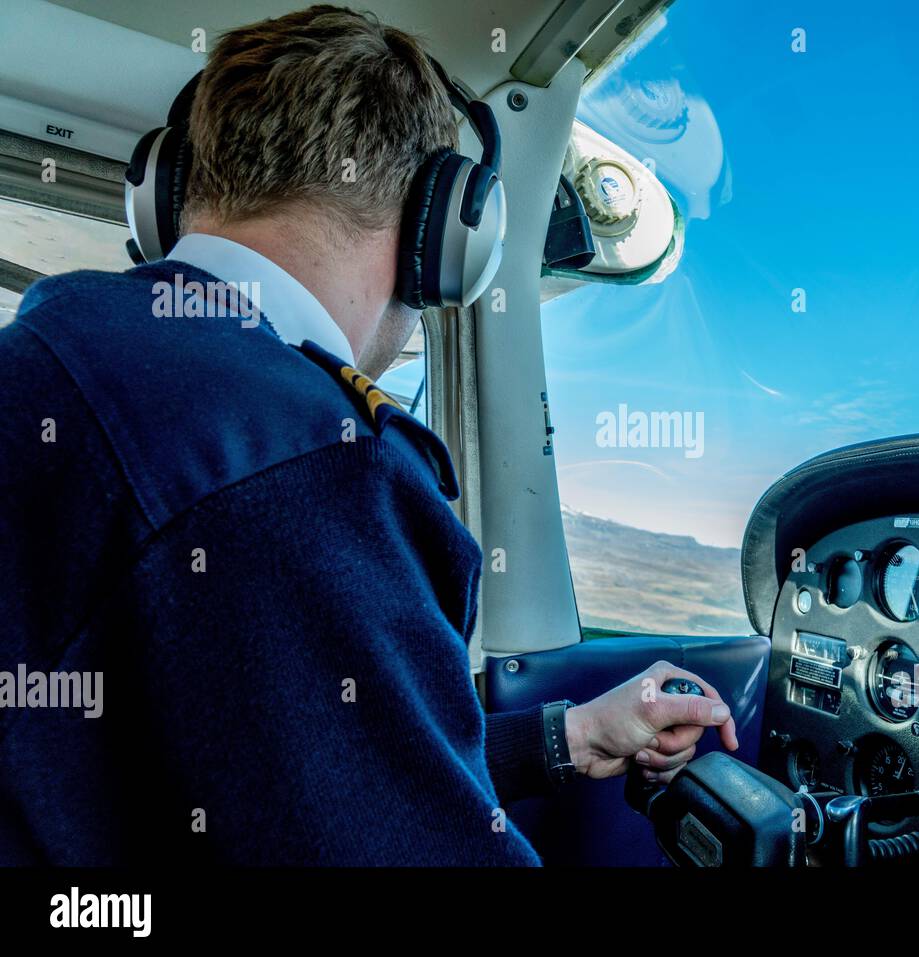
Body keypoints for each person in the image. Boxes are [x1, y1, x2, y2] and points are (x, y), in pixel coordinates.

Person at [0, 4, 736, 866]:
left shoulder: (49, 365)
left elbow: (282, 769)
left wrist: (563, 736)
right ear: (445, 230)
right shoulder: (299, 467)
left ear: (163, 200)